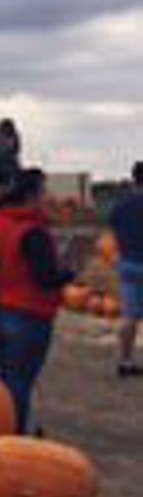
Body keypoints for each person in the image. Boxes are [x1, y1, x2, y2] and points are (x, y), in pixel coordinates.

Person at [0, 167, 74, 432]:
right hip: (30, 313)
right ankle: (14, 434)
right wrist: (69, 272)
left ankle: (3, 429)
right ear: (32, 196)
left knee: (8, 378)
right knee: (20, 383)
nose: (48, 197)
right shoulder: (32, 232)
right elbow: (45, 279)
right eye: (44, 192)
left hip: (2, 309)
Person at [108, 161, 143, 377]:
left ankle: (125, 360)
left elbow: (114, 230)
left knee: (130, 316)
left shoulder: (120, 206)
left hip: (127, 263)